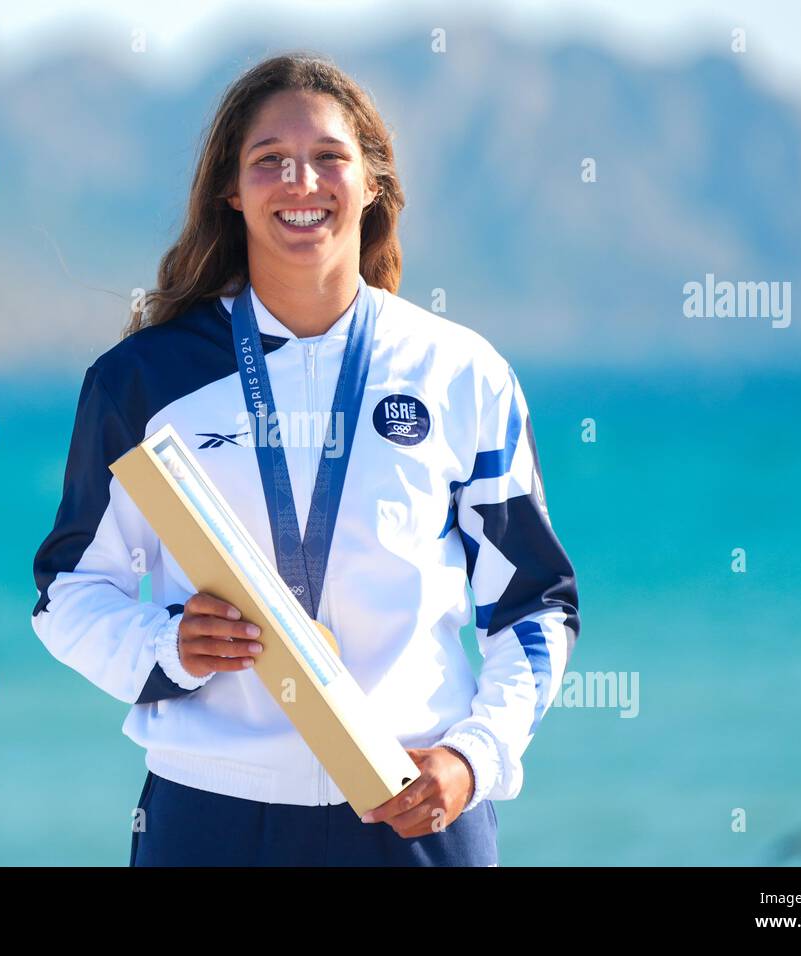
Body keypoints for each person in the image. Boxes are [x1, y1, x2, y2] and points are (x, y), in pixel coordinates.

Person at [31, 52, 580, 867]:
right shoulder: (143, 379)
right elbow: (69, 594)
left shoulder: (461, 373)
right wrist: (165, 647)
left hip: (415, 809)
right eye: (269, 160)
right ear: (231, 188)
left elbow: (534, 608)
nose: (301, 181)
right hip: (210, 814)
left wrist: (474, 759)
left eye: (329, 157)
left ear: (373, 182)